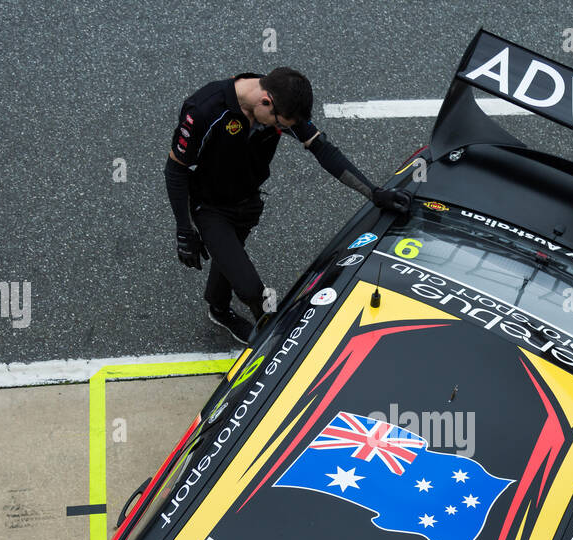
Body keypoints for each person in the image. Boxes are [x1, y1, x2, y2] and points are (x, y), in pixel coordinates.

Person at [165, 67, 410, 344]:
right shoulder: (205, 109)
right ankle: (270, 339)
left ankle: (218, 308)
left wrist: (374, 193)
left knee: (231, 256)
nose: (279, 129)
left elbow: (323, 150)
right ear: (265, 102)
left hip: (246, 203)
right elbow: (176, 169)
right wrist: (184, 229)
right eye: (278, 124)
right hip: (209, 207)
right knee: (250, 288)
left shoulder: (283, 101)